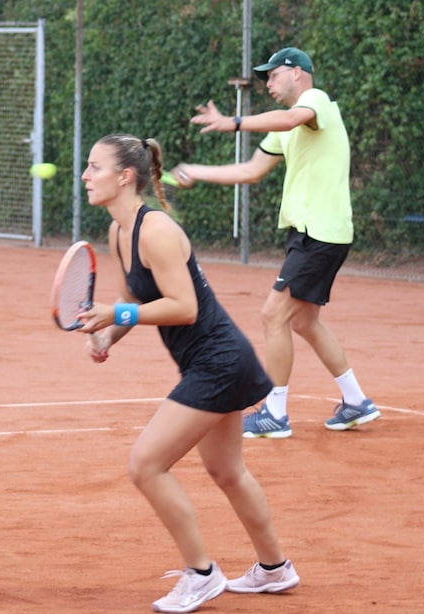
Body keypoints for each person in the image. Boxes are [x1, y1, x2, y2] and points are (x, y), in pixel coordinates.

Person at [78, 133, 299, 612]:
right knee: (227, 470)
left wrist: (116, 316)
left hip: (218, 360)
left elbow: (183, 307)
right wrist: (105, 335)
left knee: (146, 464)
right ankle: (275, 568)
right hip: (216, 360)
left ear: (125, 176)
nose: (85, 175)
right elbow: (135, 302)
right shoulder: (120, 233)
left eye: (94, 167)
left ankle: (201, 574)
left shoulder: (156, 230)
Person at [171, 47, 380, 439]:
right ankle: (356, 402)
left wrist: (232, 122)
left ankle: (275, 412)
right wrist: (196, 171)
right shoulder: (286, 129)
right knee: (303, 320)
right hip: (309, 233)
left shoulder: (315, 102)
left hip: (320, 233)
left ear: (298, 73)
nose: (267, 83)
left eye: (273, 75)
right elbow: (251, 171)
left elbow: (289, 118)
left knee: (273, 314)